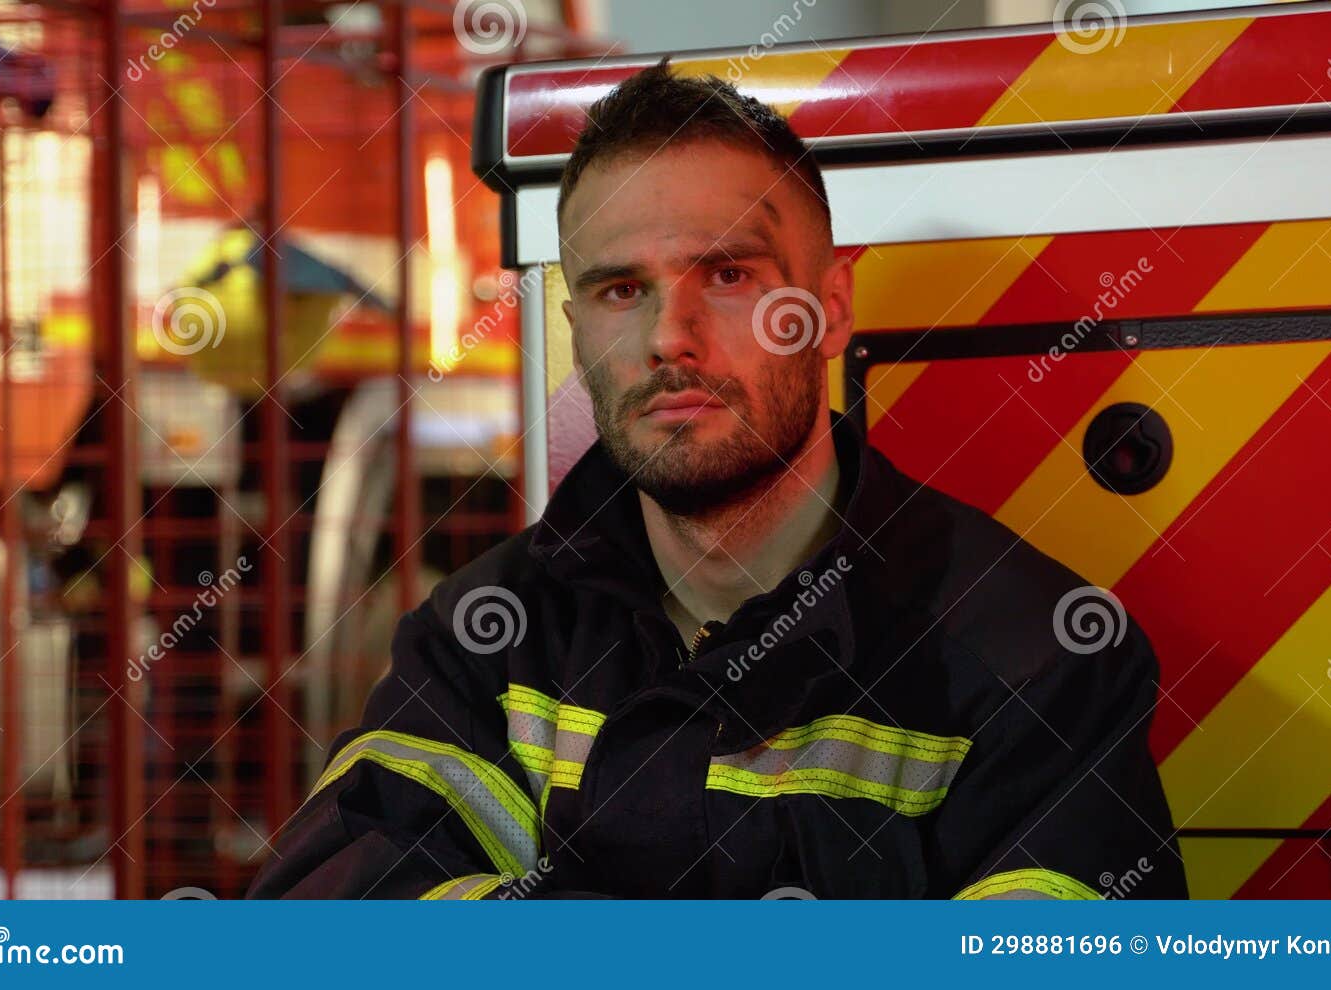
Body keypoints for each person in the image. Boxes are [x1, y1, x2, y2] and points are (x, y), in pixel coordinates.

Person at [248, 57, 1186, 899]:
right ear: (577, 330)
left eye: (727, 276)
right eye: (624, 290)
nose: (669, 337)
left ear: (828, 308)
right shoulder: (487, 642)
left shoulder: (1039, 657)